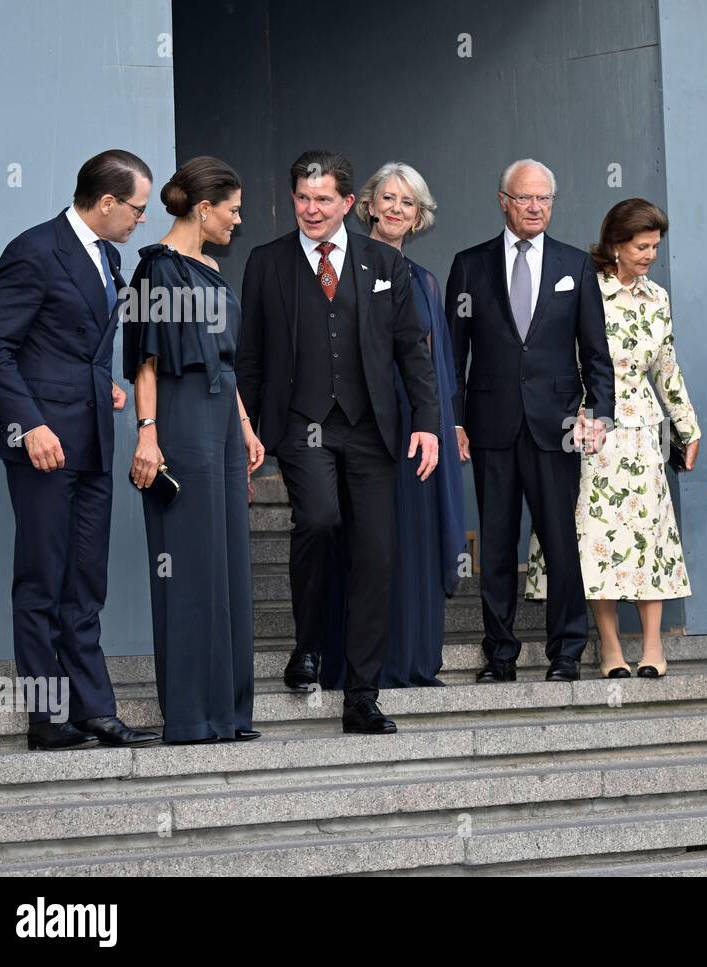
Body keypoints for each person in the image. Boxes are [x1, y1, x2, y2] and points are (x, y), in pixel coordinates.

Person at [235, 150, 441, 735]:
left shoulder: (385, 264)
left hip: (372, 428)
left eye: (324, 199)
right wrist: (246, 430)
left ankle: (362, 695)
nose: (311, 209)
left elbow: (411, 354)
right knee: (320, 520)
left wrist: (425, 421)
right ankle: (306, 644)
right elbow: (249, 360)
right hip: (302, 426)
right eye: (303, 197)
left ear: (350, 204)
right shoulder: (266, 263)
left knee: (375, 554)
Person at [0, 149, 161, 750]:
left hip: (91, 442)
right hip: (42, 447)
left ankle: (94, 712)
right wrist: (28, 426)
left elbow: (71, 347)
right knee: (42, 580)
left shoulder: (108, 255)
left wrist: (98, 383)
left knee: (86, 580)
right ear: (106, 203)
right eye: (136, 208)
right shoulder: (34, 250)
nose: (140, 220)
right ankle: (47, 719)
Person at [447, 159, 615, 684]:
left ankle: (566, 652)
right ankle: (500, 655)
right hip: (491, 426)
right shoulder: (469, 265)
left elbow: (596, 353)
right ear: (503, 201)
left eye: (545, 199)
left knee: (561, 542)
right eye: (525, 199)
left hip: (557, 426)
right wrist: (453, 421)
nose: (536, 207)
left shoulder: (575, 265)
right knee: (495, 546)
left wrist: (600, 414)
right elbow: (453, 357)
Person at [523, 199, 700, 678]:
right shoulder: (586, 286)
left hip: (642, 429)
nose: (649, 256)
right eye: (641, 247)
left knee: (649, 534)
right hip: (586, 427)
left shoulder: (657, 298)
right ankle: (609, 646)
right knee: (593, 536)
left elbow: (666, 365)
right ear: (616, 245)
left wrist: (687, 425)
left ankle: (652, 646)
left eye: (654, 248)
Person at [124, 156, 262, 744]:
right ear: (204, 208)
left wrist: (248, 427)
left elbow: (224, 362)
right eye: (232, 211)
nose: (237, 221)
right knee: (187, 566)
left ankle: (227, 713)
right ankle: (191, 715)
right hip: (179, 421)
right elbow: (145, 364)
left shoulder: (209, 267)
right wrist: (147, 434)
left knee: (226, 563)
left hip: (223, 421)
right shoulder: (157, 270)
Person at [317, 162, 465, 688]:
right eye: (389, 198)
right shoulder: (343, 269)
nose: (397, 209)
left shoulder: (426, 281)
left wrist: (445, 426)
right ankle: (356, 664)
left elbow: (437, 365)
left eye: (408, 202)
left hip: (418, 427)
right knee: (366, 543)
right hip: (365, 427)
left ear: (418, 215)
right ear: (369, 207)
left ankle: (412, 659)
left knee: (412, 539)